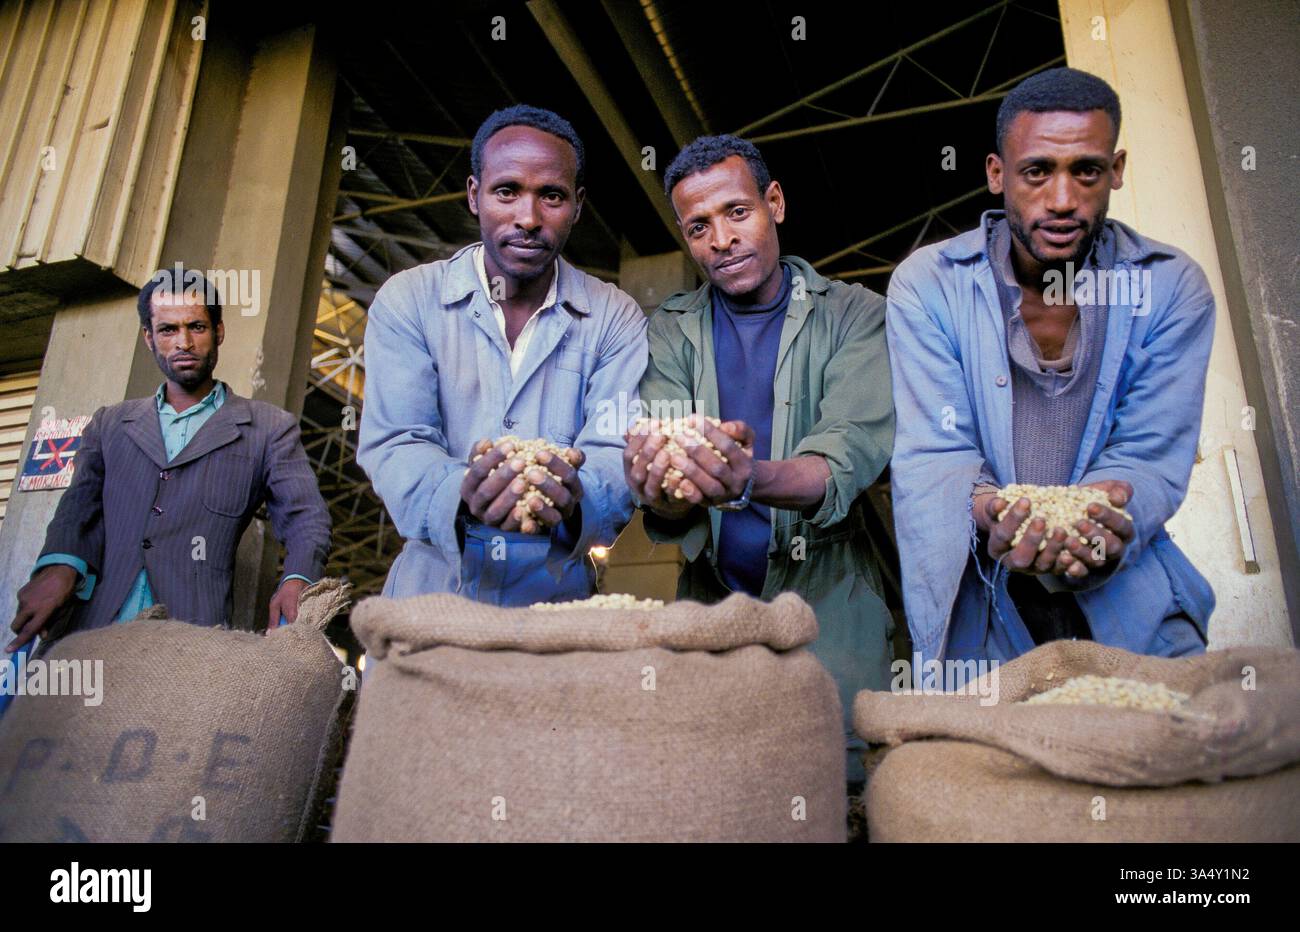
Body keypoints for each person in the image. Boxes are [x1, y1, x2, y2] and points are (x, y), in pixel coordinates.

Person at [887, 67, 1215, 669]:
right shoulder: (928, 286)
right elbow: (937, 453)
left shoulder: (1170, 288)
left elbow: (1147, 453)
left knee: (1173, 750)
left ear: (1115, 170)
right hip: (982, 615)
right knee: (986, 759)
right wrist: (999, 514)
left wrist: (1097, 519)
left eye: (1085, 171)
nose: (1062, 200)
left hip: (1133, 604)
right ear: (997, 174)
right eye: (1037, 171)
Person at [628, 134, 895, 781]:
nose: (720, 239)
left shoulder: (856, 315)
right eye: (698, 226)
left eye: (736, 213)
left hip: (832, 597)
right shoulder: (671, 329)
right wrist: (656, 487)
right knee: (709, 780)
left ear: (774, 202)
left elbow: (845, 456)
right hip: (713, 599)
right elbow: (664, 476)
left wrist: (749, 477)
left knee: (839, 782)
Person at [357, 105, 647, 605]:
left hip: (555, 609)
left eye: (551, 196)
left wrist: (574, 500)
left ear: (577, 205)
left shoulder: (613, 316)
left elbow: (615, 452)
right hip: (428, 603)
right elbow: (399, 442)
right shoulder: (410, 300)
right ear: (475, 195)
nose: (528, 219)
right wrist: (463, 498)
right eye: (506, 191)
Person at [8, 268, 332, 656]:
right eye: (167, 330)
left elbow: (306, 518)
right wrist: (59, 566)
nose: (184, 342)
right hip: (90, 630)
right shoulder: (110, 424)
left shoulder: (268, 429)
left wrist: (297, 579)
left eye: (197, 327)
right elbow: (78, 510)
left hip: (191, 643)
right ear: (149, 337)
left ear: (219, 332)